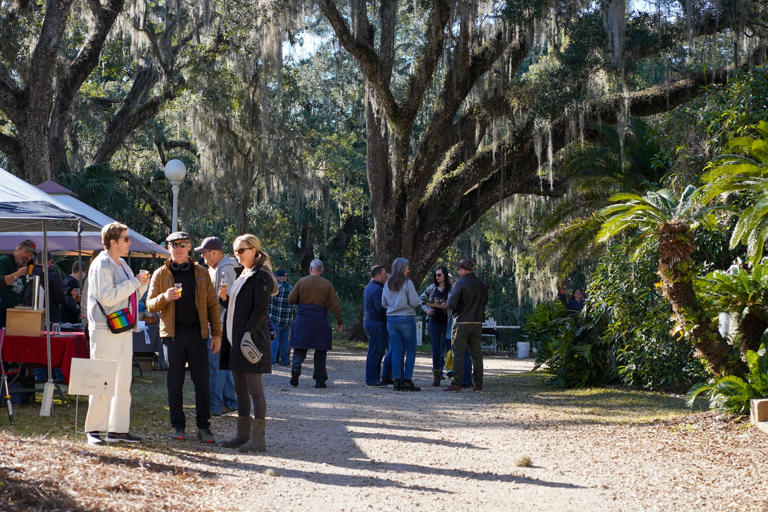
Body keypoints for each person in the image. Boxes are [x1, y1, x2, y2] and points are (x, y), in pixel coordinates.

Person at [146, 231, 222, 443]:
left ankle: (203, 427)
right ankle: (178, 426)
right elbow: (150, 305)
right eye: (173, 245)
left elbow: (212, 305)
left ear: (189, 246)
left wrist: (217, 333)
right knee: (174, 382)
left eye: (182, 244)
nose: (177, 248)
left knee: (202, 382)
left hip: (198, 334)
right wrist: (165, 297)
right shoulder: (161, 274)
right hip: (172, 335)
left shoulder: (201, 273)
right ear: (168, 248)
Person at [84, 222, 150, 445]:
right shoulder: (101, 263)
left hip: (123, 328)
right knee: (101, 378)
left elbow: (130, 297)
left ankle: (117, 430)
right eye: (125, 239)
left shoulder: (122, 264)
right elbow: (107, 297)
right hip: (105, 329)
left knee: (123, 381)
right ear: (112, 242)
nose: (129, 243)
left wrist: (141, 285)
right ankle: (93, 430)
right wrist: (134, 282)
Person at [218, 234, 277, 451]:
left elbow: (261, 310)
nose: (238, 255)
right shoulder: (242, 273)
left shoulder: (261, 276)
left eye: (241, 250)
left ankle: (258, 440)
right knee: (240, 389)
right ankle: (242, 435)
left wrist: (248, 334)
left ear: (254, 250)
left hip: (250, 340)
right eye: (235, 251)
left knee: (255, 389)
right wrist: (223, 298)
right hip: (235, 340)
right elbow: (235, 308)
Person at [195, 236, 238, 417]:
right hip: (221, 325)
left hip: (221, 326)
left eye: (205, 253)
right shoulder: (217, 269)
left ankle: (214, 406)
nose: (203, 257)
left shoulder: (225, 269)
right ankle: (231, 402)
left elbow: (226, 302)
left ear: (215, 252)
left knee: (215, 367)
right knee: (222, 367)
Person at [288, 259, 343, 388]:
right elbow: (335, 305)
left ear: (310, 269)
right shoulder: (327, 284)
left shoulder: (302, 281)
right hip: (319, 320)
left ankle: (296, 365)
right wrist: (339, 321)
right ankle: (320, 380)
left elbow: (291, 298)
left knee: (300, 347)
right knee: (320, 350)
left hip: (303, 318)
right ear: (321, 270)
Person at [444, 258, 488, 393]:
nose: (458, 271)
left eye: (459, 269)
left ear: (463, 270)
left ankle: (456, 382)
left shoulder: (460, 283)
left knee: (458, 353)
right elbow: (485, 302)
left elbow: (451, 304)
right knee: (476, 354)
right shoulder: (482, 284)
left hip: (462, 321)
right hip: (477, 322)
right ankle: (478, 384)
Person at [382, 257, 421, 392]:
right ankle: (407, 380)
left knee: (396, 350)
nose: (409, 269)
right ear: (402, 268)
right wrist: (407, 305)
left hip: (391, 320)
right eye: (407, 267)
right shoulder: (407, 283)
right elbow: (415, 302)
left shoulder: (387, 283)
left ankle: (397, 380)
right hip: (406, 318)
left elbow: (383, 303)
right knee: (411, 350)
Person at [420, 265, 451, 386]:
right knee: (435, 349)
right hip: (434, 321)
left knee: (445, 348)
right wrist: (427, 309)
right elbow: (420, 299)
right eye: (436, 275)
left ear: (444, 275)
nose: (437, 277)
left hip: (447, 321)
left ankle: (448, 371)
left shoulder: (451, 289)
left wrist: (449, 306)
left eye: (439, 275)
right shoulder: (432, 288)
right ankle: (436, 376)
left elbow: (455, 303)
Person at [363, 265, 392, 386]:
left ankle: (375, 378)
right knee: (376, 351)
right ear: (378, 275)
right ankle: (372, 379)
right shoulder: (377, 289)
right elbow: (380, 308)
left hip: (371, 321)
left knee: (377, 350)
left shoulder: (370, 287)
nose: (386, 276)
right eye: (385, 274)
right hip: (376, 323)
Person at [0, 239, 37, 328]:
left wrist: (21, 305)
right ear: (19, 248)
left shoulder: (23, 268)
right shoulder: (3, 261)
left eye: (31, 255)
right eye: (27, 252)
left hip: (12, 317)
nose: (28, 257)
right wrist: (16, 274)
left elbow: (22, 290)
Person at [269, 269, 295, 366]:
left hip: (275, 319)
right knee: (285, 341)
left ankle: (272, 361)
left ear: (279, 277)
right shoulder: (292, 289)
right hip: (287, 320)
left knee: (274, 339)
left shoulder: (275, 289)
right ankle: (285, 361)